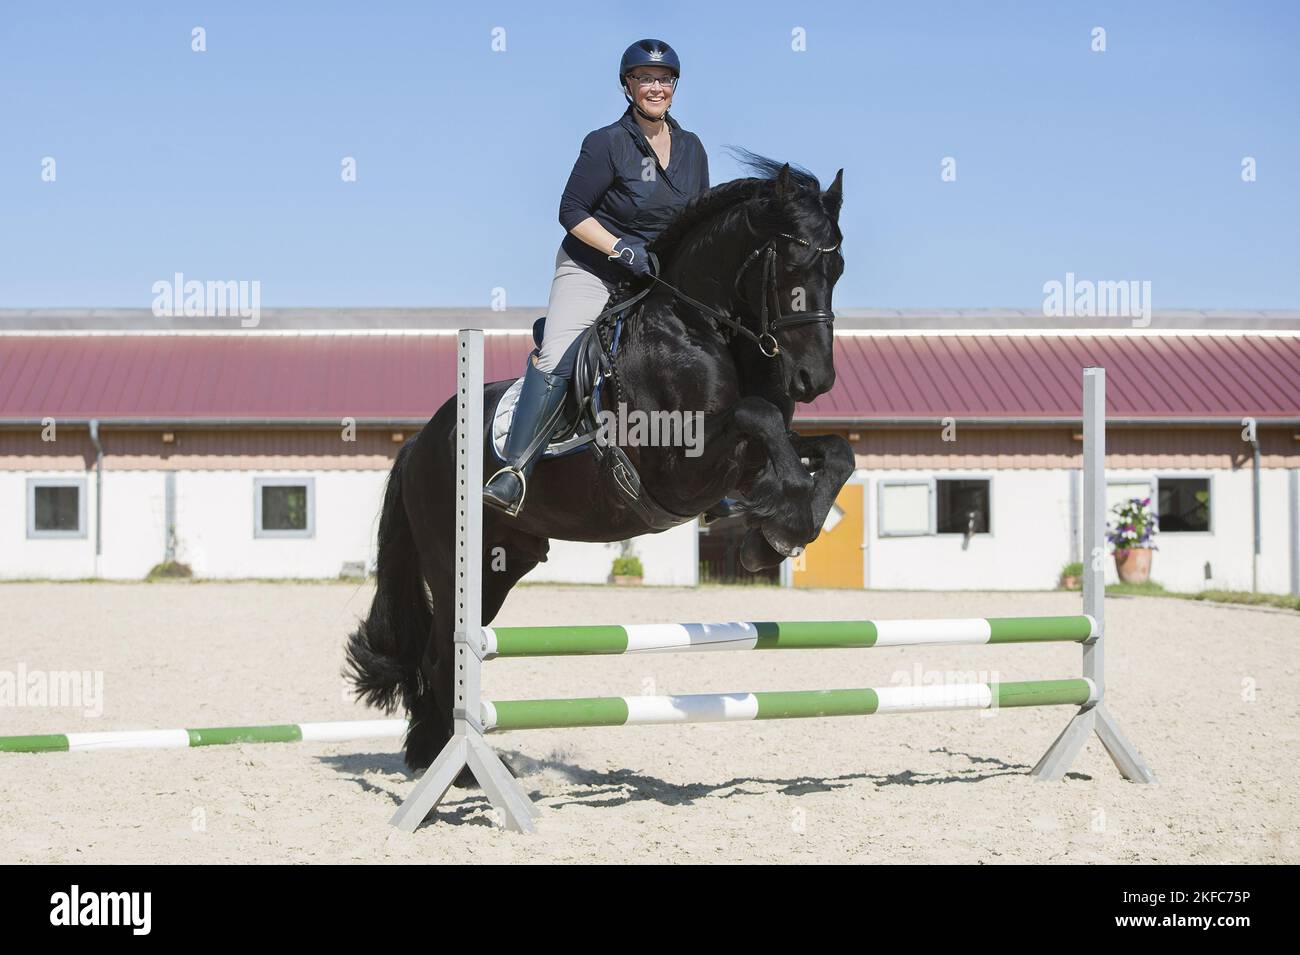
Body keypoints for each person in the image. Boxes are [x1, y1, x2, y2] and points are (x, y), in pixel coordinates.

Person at [483, 38, 711, 515]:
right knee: (560, 351)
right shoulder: (606, 142)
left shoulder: (692, 149)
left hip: (655, 278)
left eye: (664, 79)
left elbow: (698, 221)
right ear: (627, 86)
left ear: (675, 87)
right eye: (644, 79)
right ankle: (514, 470)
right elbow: (571, 210)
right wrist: (621, 247)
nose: (655, 87)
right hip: (594, 267)